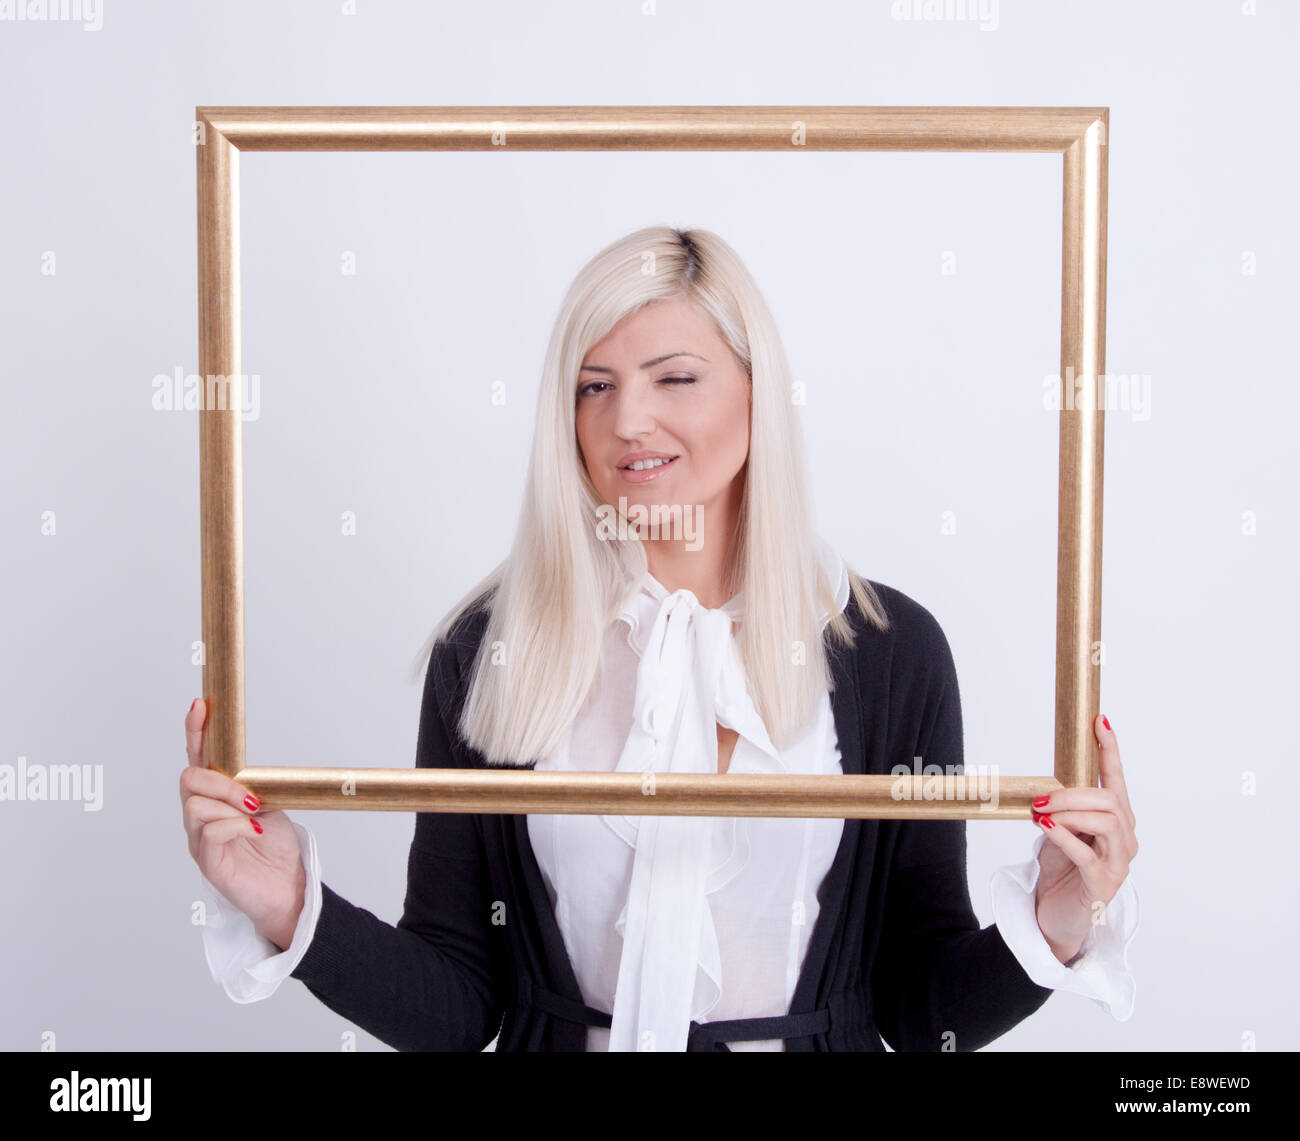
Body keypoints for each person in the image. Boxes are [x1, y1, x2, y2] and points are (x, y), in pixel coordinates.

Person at [179, 225, 1139, 1051]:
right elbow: (460, 1004)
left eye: (674, 376)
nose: (627, 418)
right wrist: (293, 909)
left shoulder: (891, 652)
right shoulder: (488, 651)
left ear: (759, 396)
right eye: (593, 387)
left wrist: (1055, 924)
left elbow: (915, 1001)